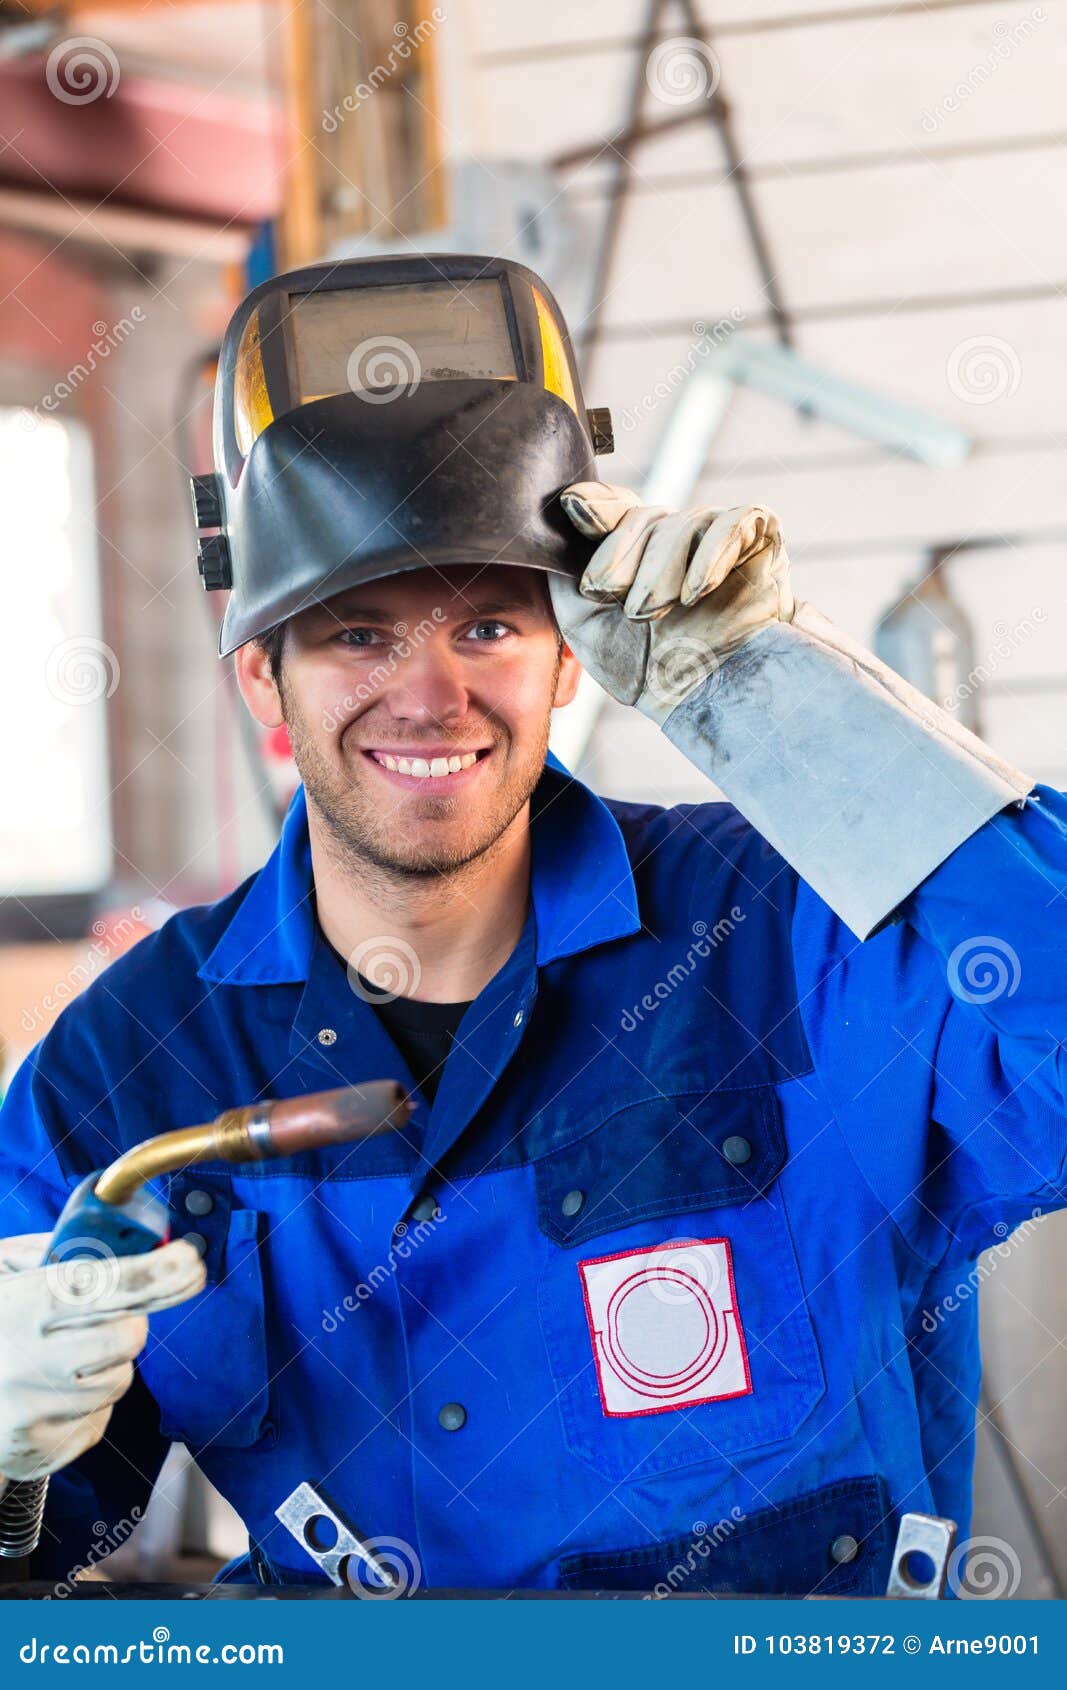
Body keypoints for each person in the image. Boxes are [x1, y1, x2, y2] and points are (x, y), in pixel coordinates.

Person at [0, 259, 1061, 1598]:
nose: (429, 692)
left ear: (571, 654)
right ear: (261, 672)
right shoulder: (134, 1062)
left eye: (488, 622)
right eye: (358, 634)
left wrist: (789, 702)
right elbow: (34, 1543)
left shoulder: (791, 925)